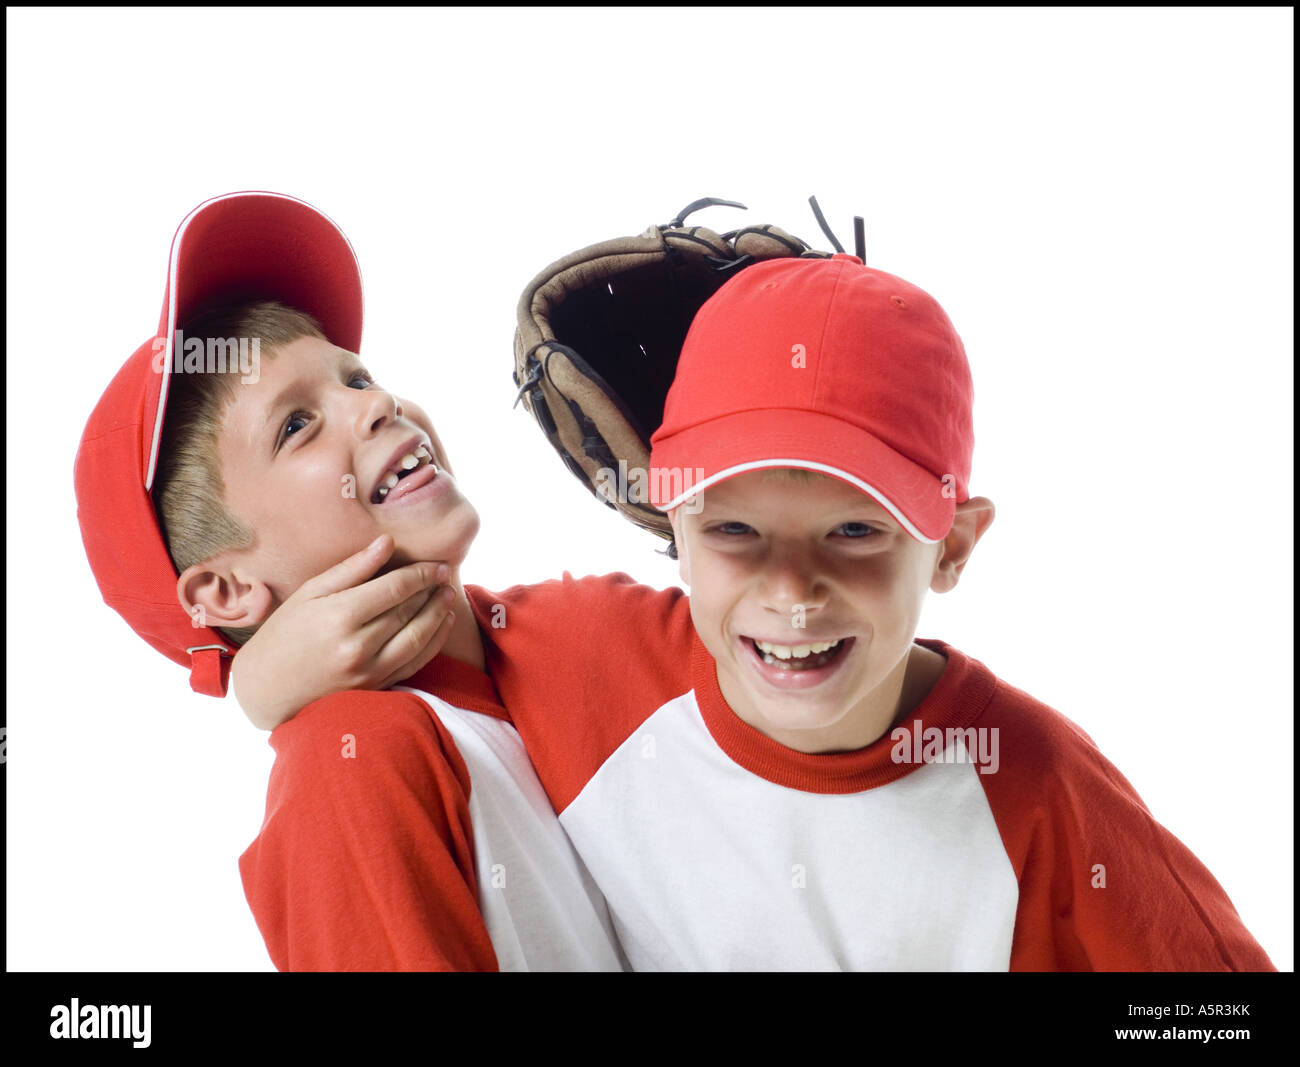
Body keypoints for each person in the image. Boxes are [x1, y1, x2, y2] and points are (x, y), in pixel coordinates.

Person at [233, 249, 1277, 970]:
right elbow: (418, 657)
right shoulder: (590, 656)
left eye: (855, 532)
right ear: (669, 524)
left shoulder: (1033, 788)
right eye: (734, 532)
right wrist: (257, 682)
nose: (788, 591)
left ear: (952, 544)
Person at [73, 190, 627, 971]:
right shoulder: (354, 760)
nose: (378, 408)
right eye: (296, 425)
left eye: (358, 378)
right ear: (226, 591)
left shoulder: (572, 629)